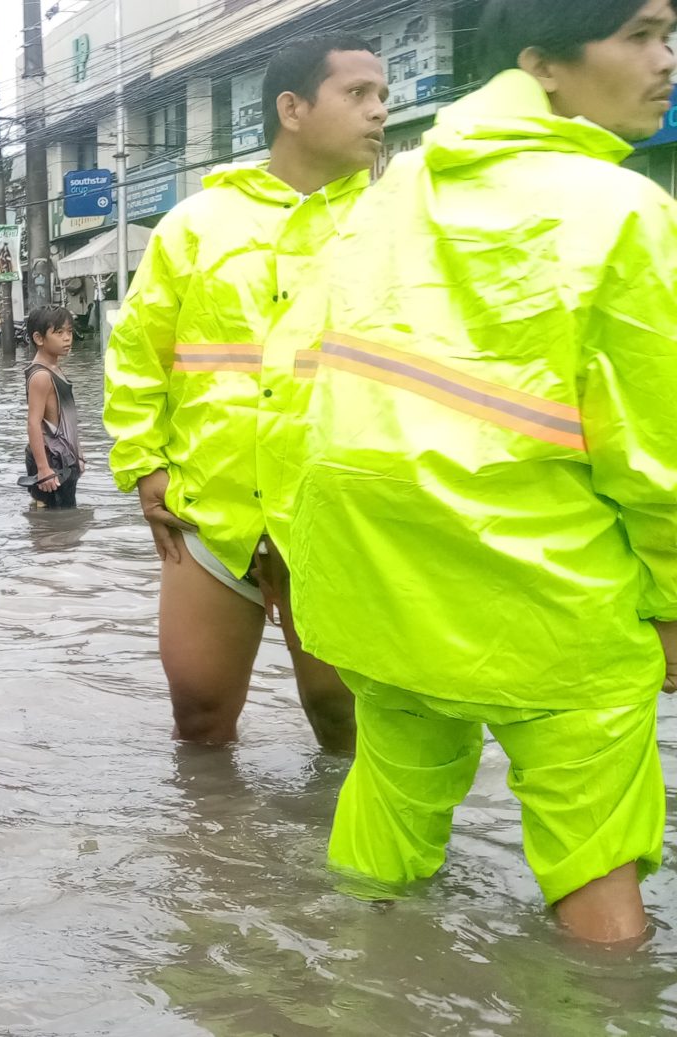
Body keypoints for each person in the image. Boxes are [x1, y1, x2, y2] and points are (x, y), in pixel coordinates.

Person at [287, 0, 677, 944]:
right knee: (598, 883)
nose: (665, 59)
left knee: (379, 845)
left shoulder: (391, 191)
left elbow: (297, 380)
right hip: (551, 601)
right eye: (640, 34)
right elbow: (658, 452)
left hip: (383, 591)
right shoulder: (627, 210)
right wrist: (671, 605)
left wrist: (319, 565)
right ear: (543, 62)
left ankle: (356, 1000)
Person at [101, 35, 388, 751]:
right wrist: (145, 467)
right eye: (358, 94)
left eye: (382, 95)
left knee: (344, 721)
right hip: (210, 510)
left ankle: (335, 865)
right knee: (198, 717)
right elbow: (140, 352)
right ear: (292, 108)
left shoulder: (391, 227)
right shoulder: (198, 225)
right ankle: (211, 858)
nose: (380, 111)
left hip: (341, 516)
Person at [23, 305, 82, 509]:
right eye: (59, 332)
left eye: (69, 332)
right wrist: (43, 469)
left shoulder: (55, 369)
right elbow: (33, 423)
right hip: (51, 462)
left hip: (64, 458)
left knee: (66, 523)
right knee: (51, 526)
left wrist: (78, 455)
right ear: (39, 338)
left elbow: (67, 417)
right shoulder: (41, 376)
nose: (67, 338)